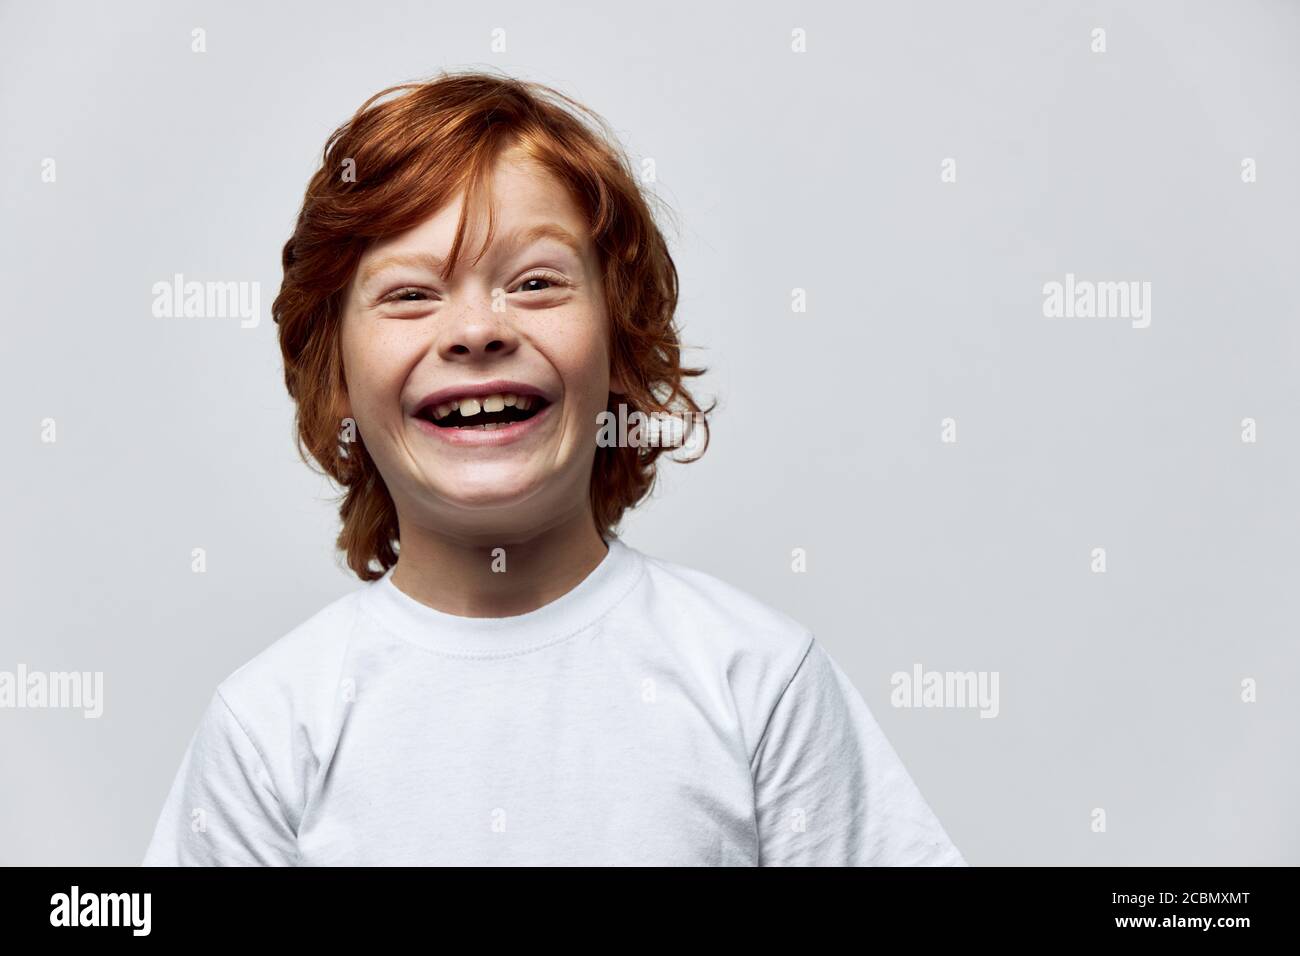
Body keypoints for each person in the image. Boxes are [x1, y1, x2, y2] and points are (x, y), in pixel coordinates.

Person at [141, 70, 966, 866]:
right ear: (338, 380)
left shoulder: (758, 683)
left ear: (619, 344)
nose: (475, 330)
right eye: (410, 294)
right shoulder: (269, 728)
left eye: (536, 282)